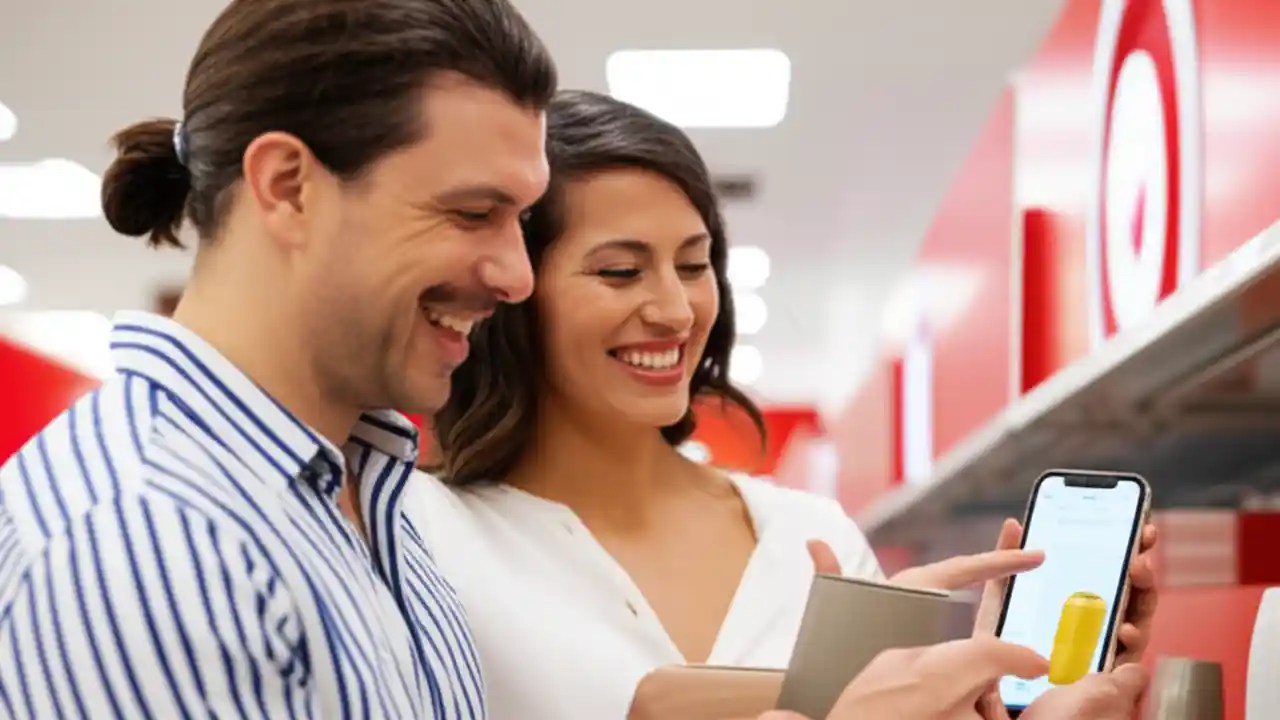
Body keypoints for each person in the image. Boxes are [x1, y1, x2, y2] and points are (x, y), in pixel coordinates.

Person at [410, 90, 1158, 719]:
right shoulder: (422, 533)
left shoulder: (813, 536)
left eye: (694, 265)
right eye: (619, 272)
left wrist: (987, 693)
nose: (674, 310)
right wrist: (854, 691)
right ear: (514, 291)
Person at [0, 0, 555, 717]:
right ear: (289, 187)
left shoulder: (363, 488)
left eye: (522, 219)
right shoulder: (147, 540)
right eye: (473, 213)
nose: (518, 277)